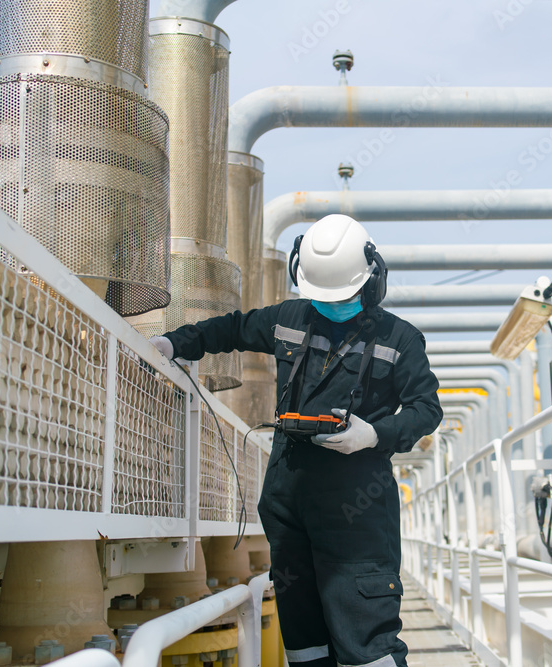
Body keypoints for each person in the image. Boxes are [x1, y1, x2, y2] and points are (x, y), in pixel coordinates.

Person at [149, 214, 443, 667]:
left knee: (366, 641)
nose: (332, 307)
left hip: (357, 511)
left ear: (372, 280)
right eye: (323, 298)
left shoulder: (399, 339)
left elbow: (427, 410)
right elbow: (230, 328)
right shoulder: (290, 319)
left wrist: (373, 435)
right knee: (304, 641)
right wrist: (173, 343)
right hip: (288, 502)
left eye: (342, 297)